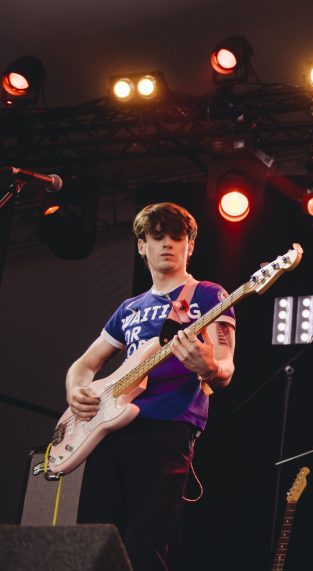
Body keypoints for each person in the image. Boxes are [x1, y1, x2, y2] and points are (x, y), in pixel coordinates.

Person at [66, 202, 236, 571]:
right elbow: (84, 365)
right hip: (108, 432)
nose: (168, 244)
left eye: (177, 237)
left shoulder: (208, 295)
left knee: (145, 546)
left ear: (190, 245)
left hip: (167, 430)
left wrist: (207, 367)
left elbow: (225, 368)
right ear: (141, 246)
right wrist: (77, 390)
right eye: (157, 237)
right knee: (96, 541)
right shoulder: (129, 308)